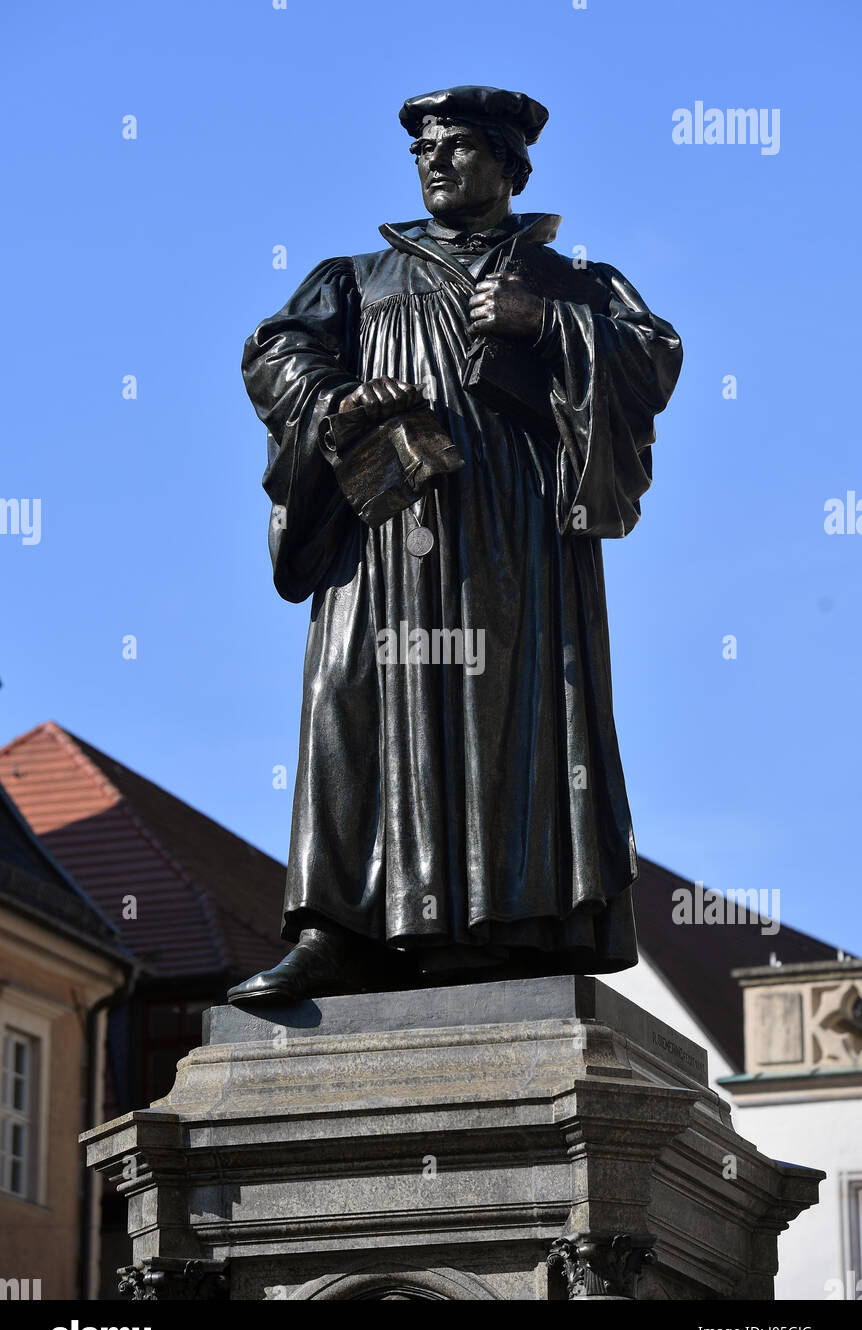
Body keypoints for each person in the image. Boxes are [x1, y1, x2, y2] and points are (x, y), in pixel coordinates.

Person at [229, 85, 682, 1005]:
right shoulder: (354, 280)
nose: (436, 161)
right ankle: (336, 928)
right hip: (385, 531)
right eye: (425, 149)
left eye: (460, 147)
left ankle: (514, 925)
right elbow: (276, 353)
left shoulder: (571, 281)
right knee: (350, 700)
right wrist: (337, 398)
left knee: (508, 716)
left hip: (514, 541)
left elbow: (654, 360)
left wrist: (546, 323)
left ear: (513, 168)